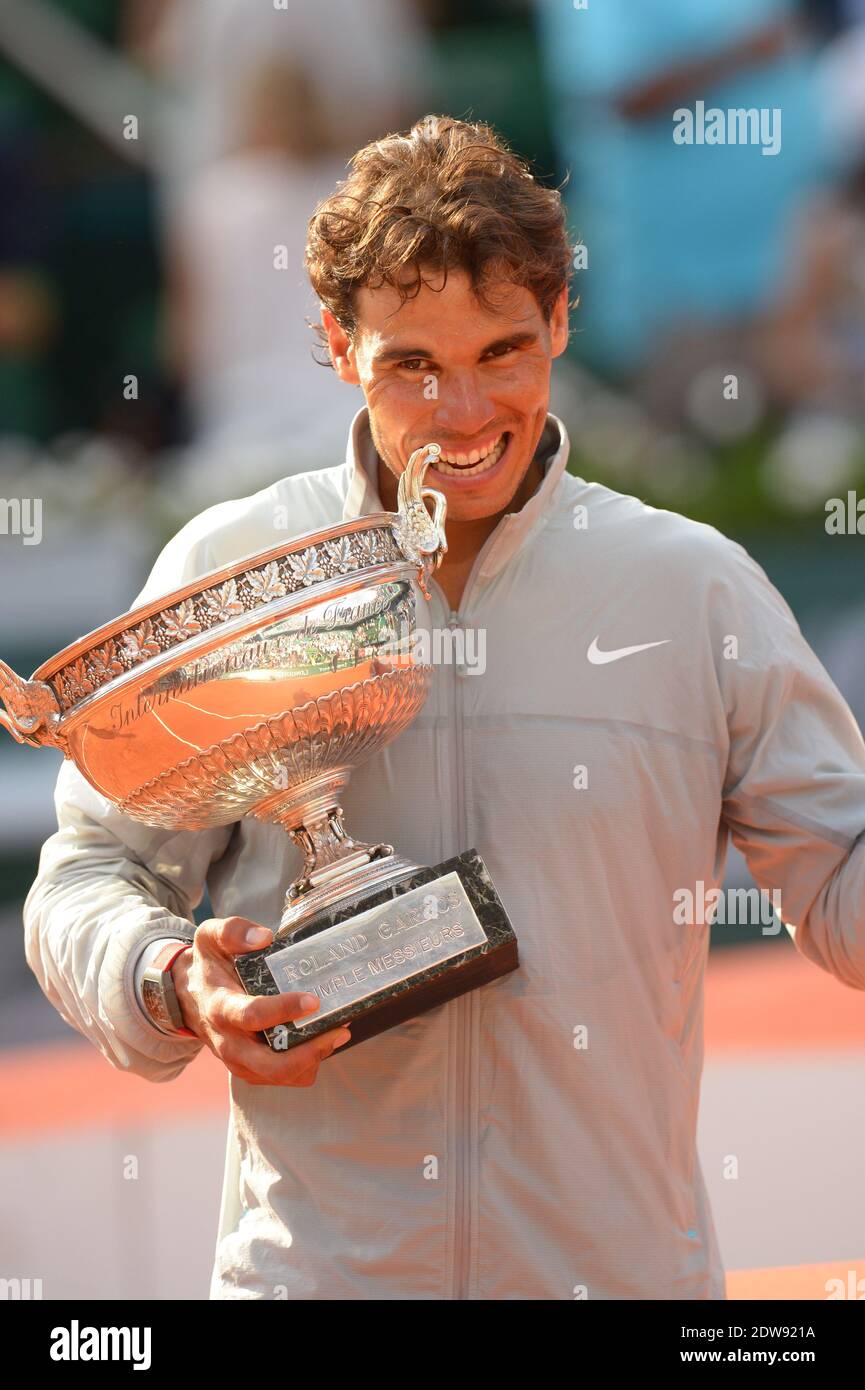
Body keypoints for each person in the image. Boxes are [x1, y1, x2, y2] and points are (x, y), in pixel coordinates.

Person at [23, 116, 865, 1300]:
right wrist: (171, 977)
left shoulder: (695, 585)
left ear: (562, 325)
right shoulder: (233, 565)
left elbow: (840, 880)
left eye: (504, 352)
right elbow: (87, 873)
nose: (465, 414)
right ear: (334, 342)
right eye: (412, 364)